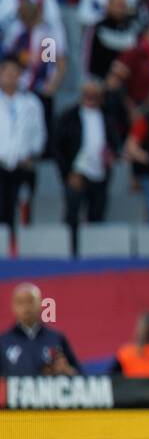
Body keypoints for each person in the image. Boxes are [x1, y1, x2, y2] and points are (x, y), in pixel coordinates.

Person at [53, 78, 123, 254]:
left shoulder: (107, 117)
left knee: (97, 214)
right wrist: (68, 173)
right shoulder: (69, 116)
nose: (90, 97)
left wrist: (112, 155)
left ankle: (95, 253)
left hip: (100, 172)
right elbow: (57, 147)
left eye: (95, 94)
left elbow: (115, 143)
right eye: (87, 93)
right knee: (72, 214)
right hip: (76, 173)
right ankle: (70, 252)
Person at [0, 56, 47, 233]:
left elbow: (39, 133)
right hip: (1, 164)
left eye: (15, 73)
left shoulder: (31, 102)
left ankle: (20, 252)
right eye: (7, 72)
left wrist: (32, 154)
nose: (11, 77)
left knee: (22, 210)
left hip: (23, 165)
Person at [0, 282, 80, 376]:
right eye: (20, 302)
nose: (26, 307)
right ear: (13, 306)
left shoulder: (56, 339)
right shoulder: (3, 342)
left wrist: (68, 371)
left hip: (50, 390)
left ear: (40, 303)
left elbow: (81, 378)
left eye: (30, 301)